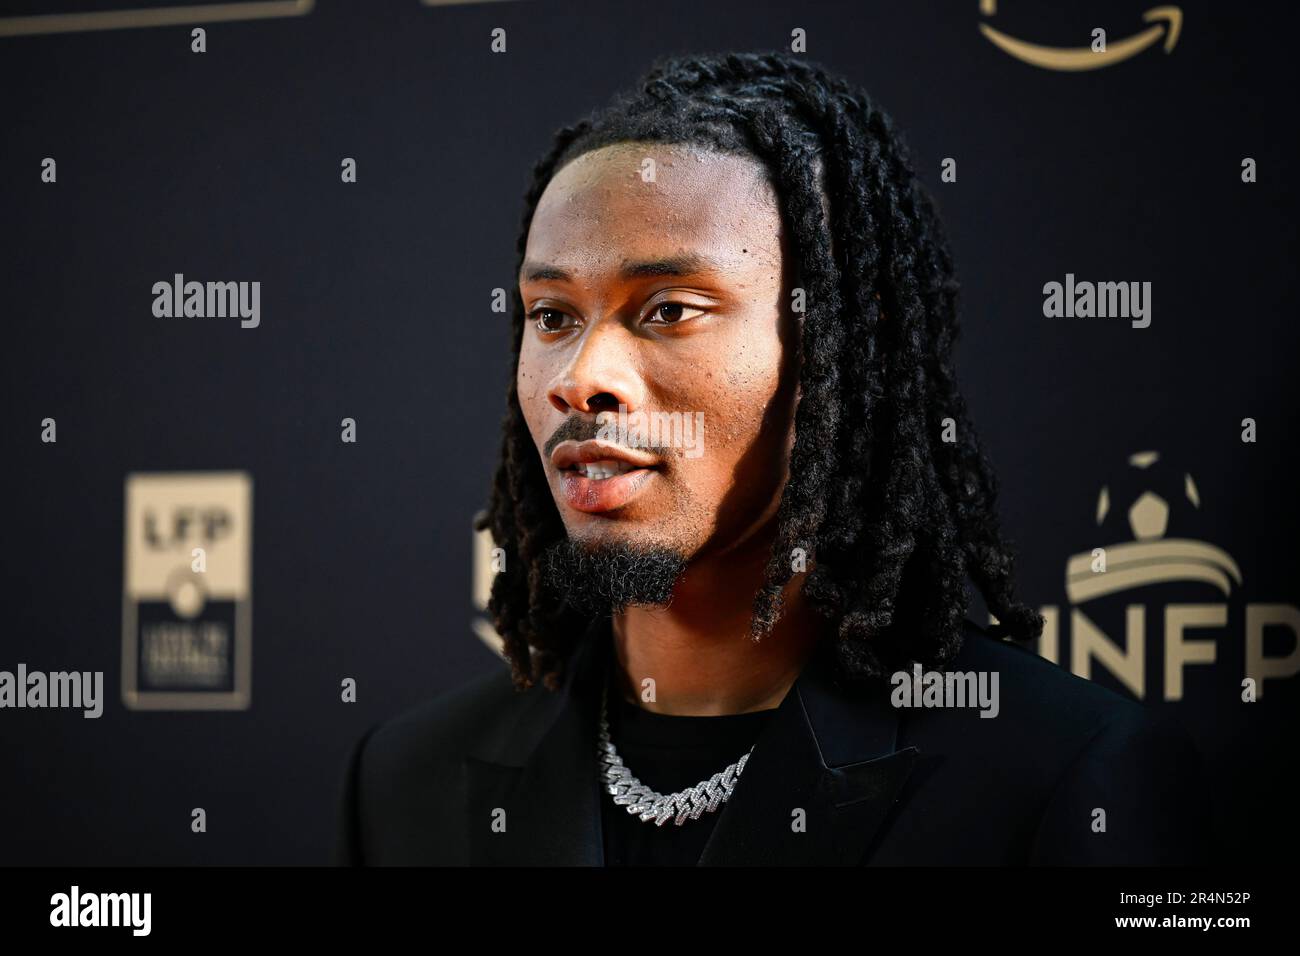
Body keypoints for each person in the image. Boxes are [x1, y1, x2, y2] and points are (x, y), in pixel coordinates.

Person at [335, 50, 1211, 866]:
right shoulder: (407, 782)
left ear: (837, 349)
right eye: (553, 315)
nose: (580, 379)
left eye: (669, 309)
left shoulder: (1064, 774)